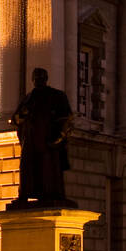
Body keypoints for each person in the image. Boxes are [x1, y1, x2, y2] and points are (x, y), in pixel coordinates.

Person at [11, 68, 75, 207]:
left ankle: (51, 194)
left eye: (41, 77)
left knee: (49, 169)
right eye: (35, 78)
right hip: (30, 140)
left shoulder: (57, 96)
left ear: (46, 79)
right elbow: (15, 119)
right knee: (27, 168)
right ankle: (24, 195)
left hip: (48, 140)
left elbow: (66, 119)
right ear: (32, 80)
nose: (38, 80)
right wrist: (22, 115)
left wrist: (59, 137)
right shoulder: (28, 98)